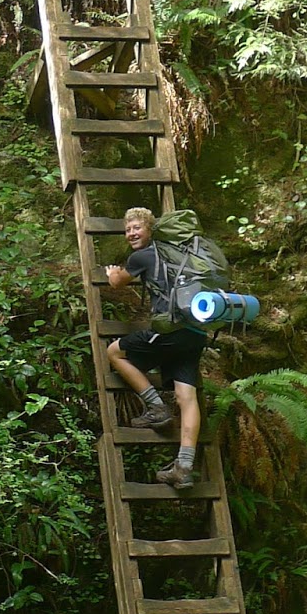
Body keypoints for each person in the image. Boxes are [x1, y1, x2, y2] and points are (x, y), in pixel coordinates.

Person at [104, 206, 207, 489]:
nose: (131, 234)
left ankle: (156, 407)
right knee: (186, 395)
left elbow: (118, 281)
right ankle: (184, 467)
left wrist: (113, 272)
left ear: (151, 229)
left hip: (170, 330)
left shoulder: (144, 255)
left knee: (115, 351)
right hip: (196, 331)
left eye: (136, 228)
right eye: (127, 229)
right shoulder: (185, 256)